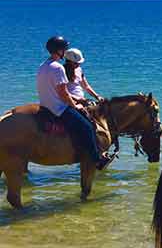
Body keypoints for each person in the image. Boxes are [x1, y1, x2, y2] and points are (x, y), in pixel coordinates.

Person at [36, 36, 112, 170]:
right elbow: (63, 93)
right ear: (58, 50)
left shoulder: (43, 65)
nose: (65, 52)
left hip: (45, 105)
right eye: (64, 49)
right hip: (58, 107)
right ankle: (97, 160)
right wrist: (75, 105)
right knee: (87, 127)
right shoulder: (58, 68)